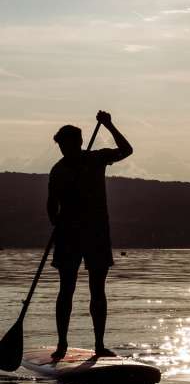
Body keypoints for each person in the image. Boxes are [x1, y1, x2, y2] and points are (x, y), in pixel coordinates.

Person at [46, 111, 133, 361]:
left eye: (67, 145)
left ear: (79, 143)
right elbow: (51, 204)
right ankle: (62, 345)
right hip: (68, 236)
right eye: (61, 146)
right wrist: (55, 221)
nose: (64, 150)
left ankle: (99, 345)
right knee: (67, 290)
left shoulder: (96, 159)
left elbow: (127, 150)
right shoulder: (58, 171)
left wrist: (109, 125)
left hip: (96, 233)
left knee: (98, 289)